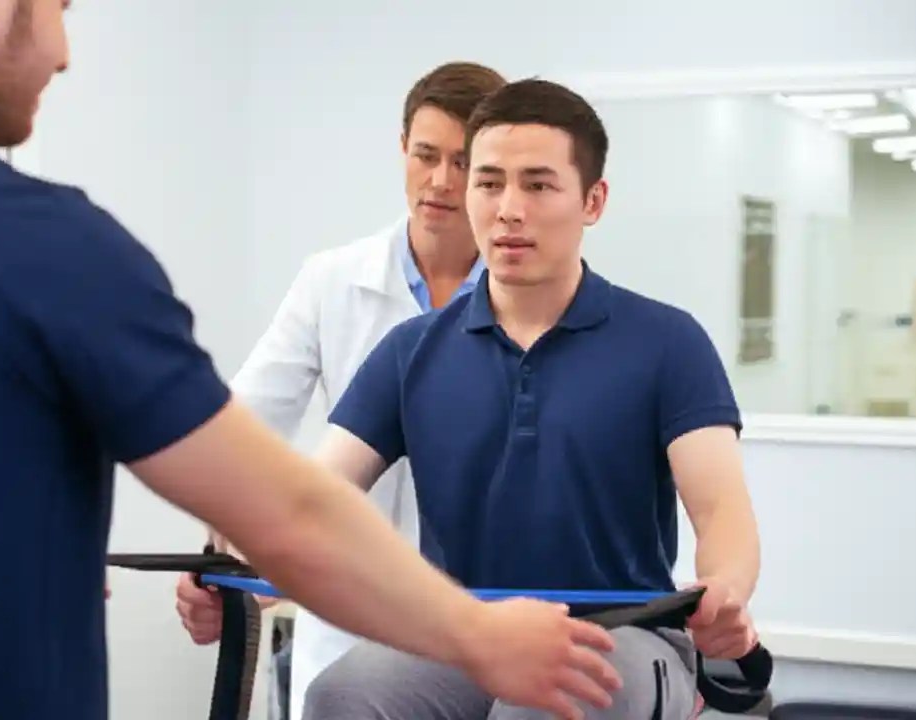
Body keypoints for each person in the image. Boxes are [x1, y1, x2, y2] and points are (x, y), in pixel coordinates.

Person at [0, 2, 624, 719]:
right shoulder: (42, 247)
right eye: (55, 4)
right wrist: (478, 634)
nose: (62, 47)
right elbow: (284, 505)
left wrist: (32, 552)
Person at [299, 78, 762, 720]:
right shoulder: (411, 351)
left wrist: (727, 593)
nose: (508, 209)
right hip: (462, 634)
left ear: (593, 200)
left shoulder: (667, 341)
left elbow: (722, 515)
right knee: (341, 694)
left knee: (542, 705)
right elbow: (311, 499)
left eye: (538, 185)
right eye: (489, 183)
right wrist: (226, 568)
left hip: (623, 634)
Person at [174, 60, 507, 718]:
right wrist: (219, 557)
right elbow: (240, 429)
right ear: (401, 149)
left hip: (485, 626)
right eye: (425, 155)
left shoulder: (527, 297)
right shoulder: (332, 282)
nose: (440, 181)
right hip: (348, 624)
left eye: (464, 162)